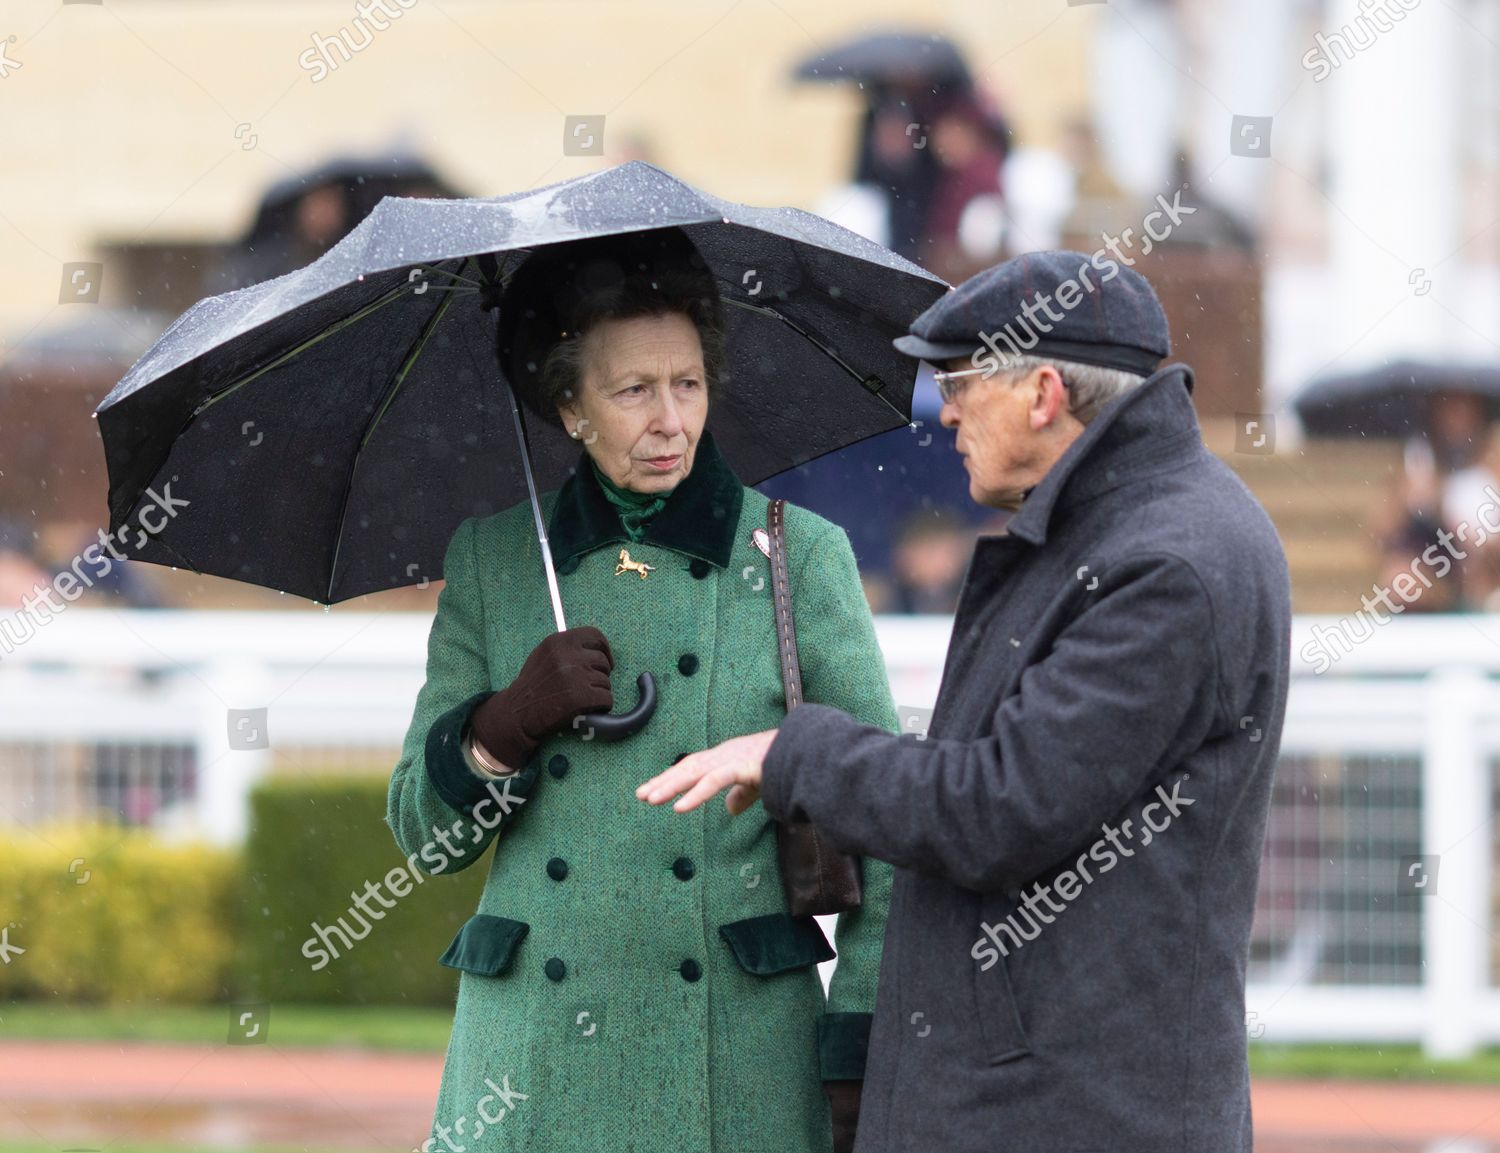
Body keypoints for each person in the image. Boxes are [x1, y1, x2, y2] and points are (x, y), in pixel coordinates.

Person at [640, 250, 1292, 1152]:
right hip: (1049, 1093)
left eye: (959, 382)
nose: (943, 411)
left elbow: (996, 806)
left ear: (1043, 393)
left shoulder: (1164, 562)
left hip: (1076, 1110)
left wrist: (796, 752)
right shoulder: (1127, 526)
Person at [385, 228, 895, 1153]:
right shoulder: (496, 561)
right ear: (570, 407)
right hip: (530, 1061)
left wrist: (859, 1052)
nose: (671, 421)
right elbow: (424, 840)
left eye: (688, 383)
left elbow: (884, 812)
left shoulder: (797, 554)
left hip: (741, 1060)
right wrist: (502, 727)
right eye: (632, 391)